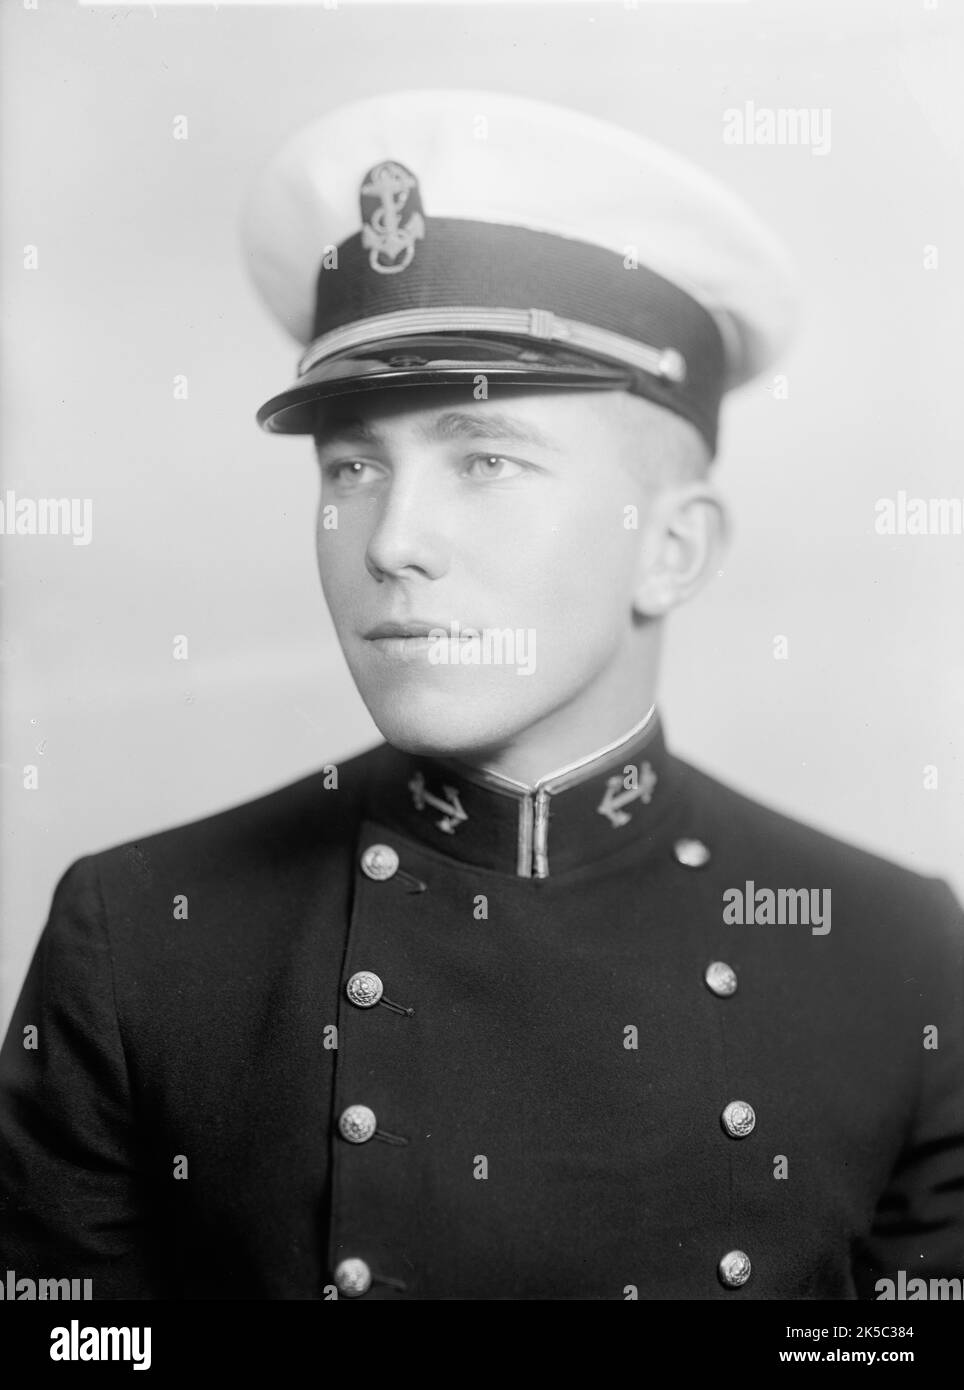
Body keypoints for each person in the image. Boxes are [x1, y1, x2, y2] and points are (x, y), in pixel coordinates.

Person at [1, 90, 961, 1301]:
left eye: (486, 458)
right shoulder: (140, 940)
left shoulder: (893, 956)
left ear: (673, 547)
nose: (392, 540)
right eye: (351, 464)